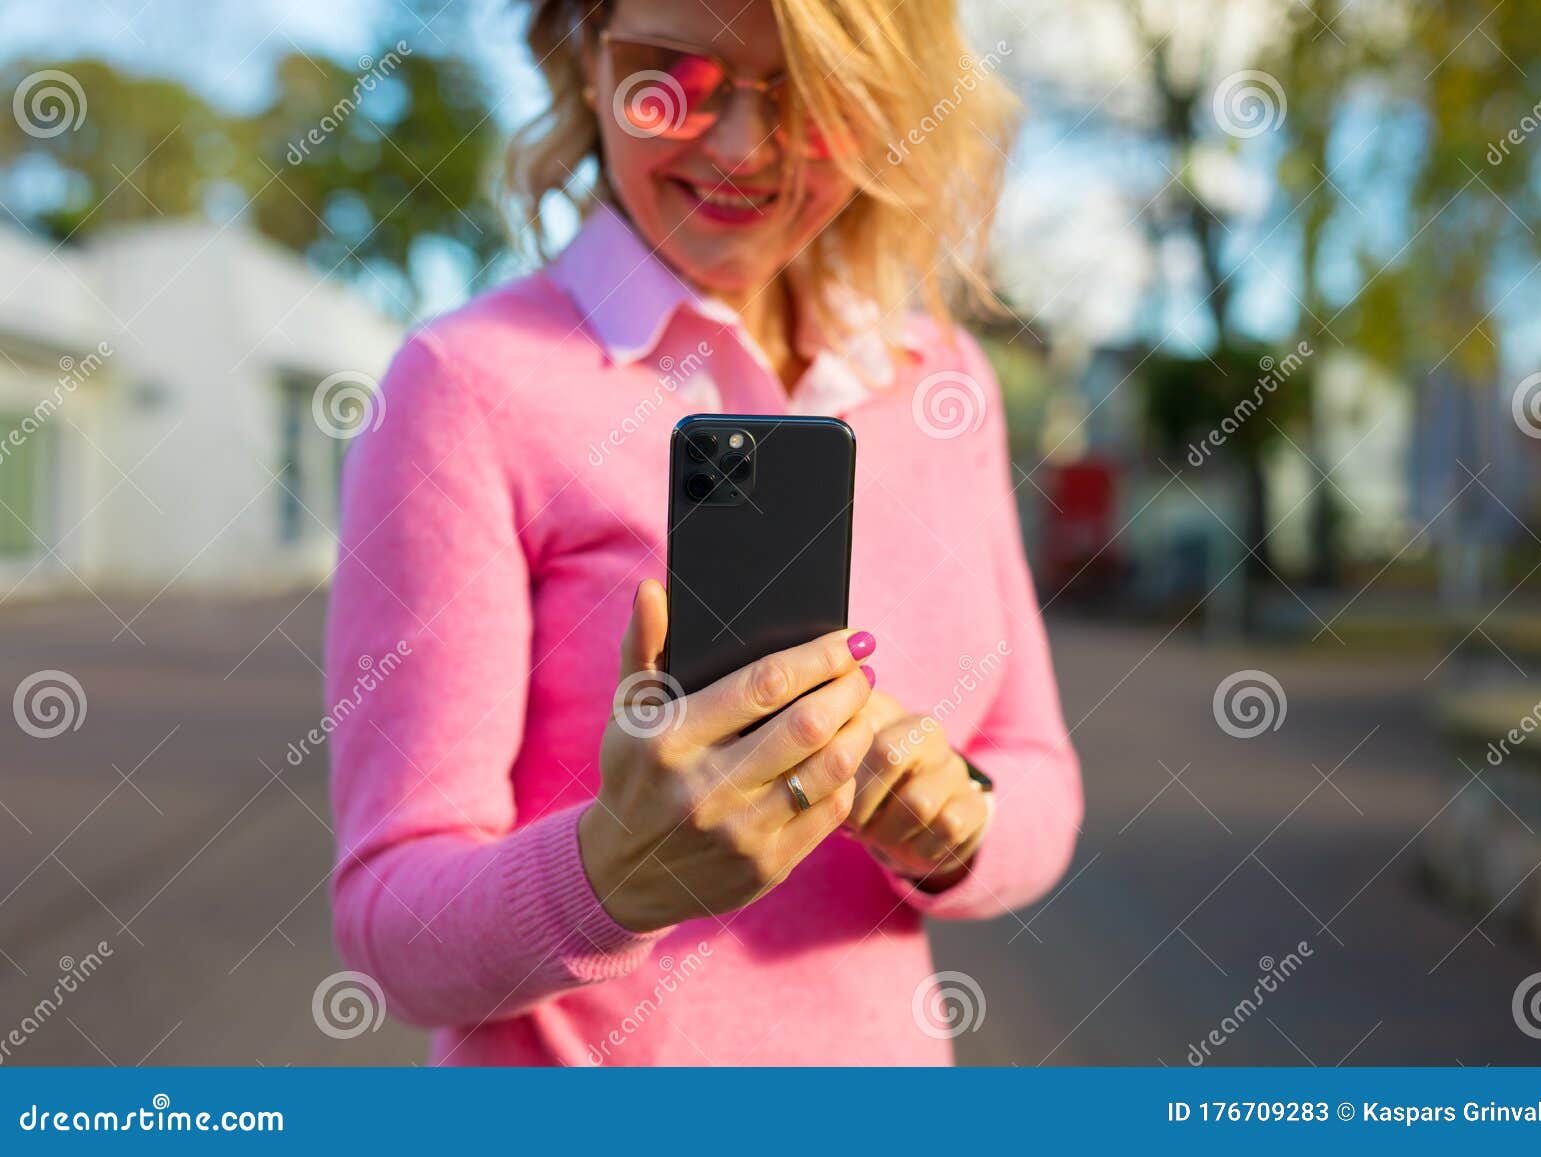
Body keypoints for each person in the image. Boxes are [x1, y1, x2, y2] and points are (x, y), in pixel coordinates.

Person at [326, 0, 1083, 1065]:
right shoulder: (464, 385)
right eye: (669, 73)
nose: (737, 148)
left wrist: (956, 822)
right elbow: (391, 926)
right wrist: (610, 873)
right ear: (582, 53)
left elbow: (1037, 768)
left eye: (809, 95)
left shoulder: (942, 380)